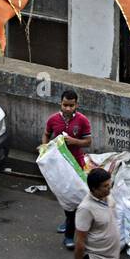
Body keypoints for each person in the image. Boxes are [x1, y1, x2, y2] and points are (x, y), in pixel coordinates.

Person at [41, 88, 92, 250]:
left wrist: (73, 141)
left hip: (76, 165)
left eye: (71, 105)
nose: (68, 108)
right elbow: (46, 134)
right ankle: (69, 221)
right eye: (65, 105)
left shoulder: (83, 121)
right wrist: (44, 147)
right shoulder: (53, 119)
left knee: (79, 195)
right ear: (60, 104)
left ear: (76, 105)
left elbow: (88, 142)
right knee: (64, 194)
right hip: (58, 166)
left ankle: (73, 228)